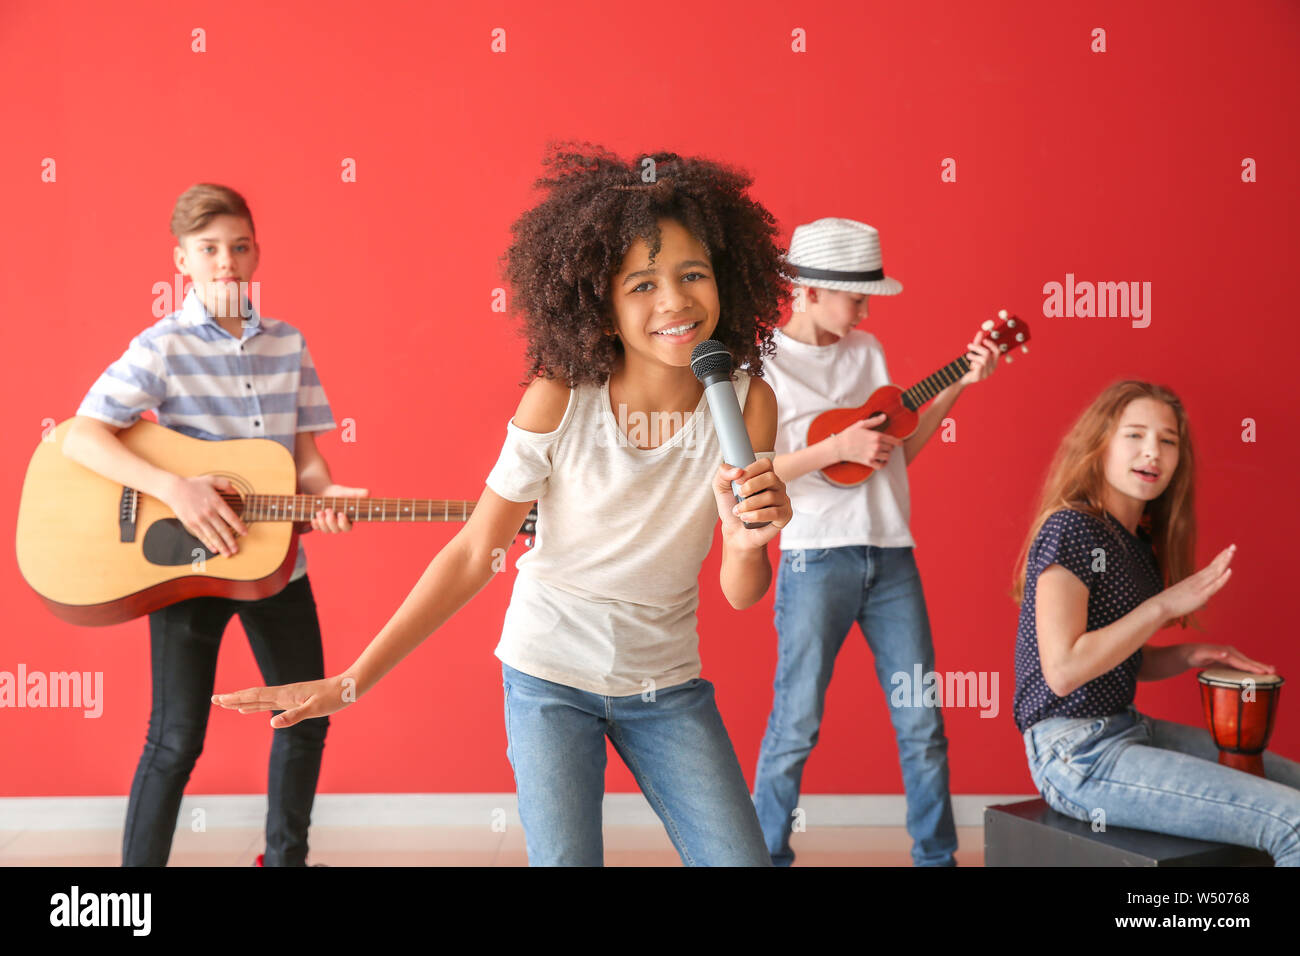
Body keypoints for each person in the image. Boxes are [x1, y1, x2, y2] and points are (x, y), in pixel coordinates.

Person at [213, 144, 794, 866]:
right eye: (642, 284)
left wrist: (744, 544)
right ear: (601, 303)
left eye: (692, 274)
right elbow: (472, 552)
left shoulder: (745, 402)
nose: (674, 301)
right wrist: (353, 679)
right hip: (550, 675)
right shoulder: (561, 398)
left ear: (726, 281)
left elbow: (745, 592)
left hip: (666, 683)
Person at [63, 183, 366, 866]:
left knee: (305, 712)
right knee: (175, 739)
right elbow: (81, 438)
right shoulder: (162, 346)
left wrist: (330, 494)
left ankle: (284, 860)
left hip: (278, 562)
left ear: (256, 253)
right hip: (189, 570)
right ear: (183, 262)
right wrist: (176, 489)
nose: (225, 261)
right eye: (209, 249)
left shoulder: (287, 344)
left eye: (238, 246)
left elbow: (306, 458)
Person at [752, 217, 998, 866]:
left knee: (923, 723)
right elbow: (756, 472)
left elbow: (893, 456)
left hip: (892, 556)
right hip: (814, 560)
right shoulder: (764, 368)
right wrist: (835, 445)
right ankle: (762, 856)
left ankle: (936, 858)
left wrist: (957, 390)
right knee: (796, 724)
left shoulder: (868, 354)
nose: (864, 310)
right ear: (807, 292)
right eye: (855, 298)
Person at [1012, 379, 1300, 864]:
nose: (1153, 452)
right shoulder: (1071, 528)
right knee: (1293, 822)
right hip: (1075, 754)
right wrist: (1164, 606)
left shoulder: (1136, 545)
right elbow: (1064, 670)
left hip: (1128, 729)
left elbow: (1121, 658)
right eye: (1135, 435)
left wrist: (1191, 655)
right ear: (1100, 443)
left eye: (1168, 441)